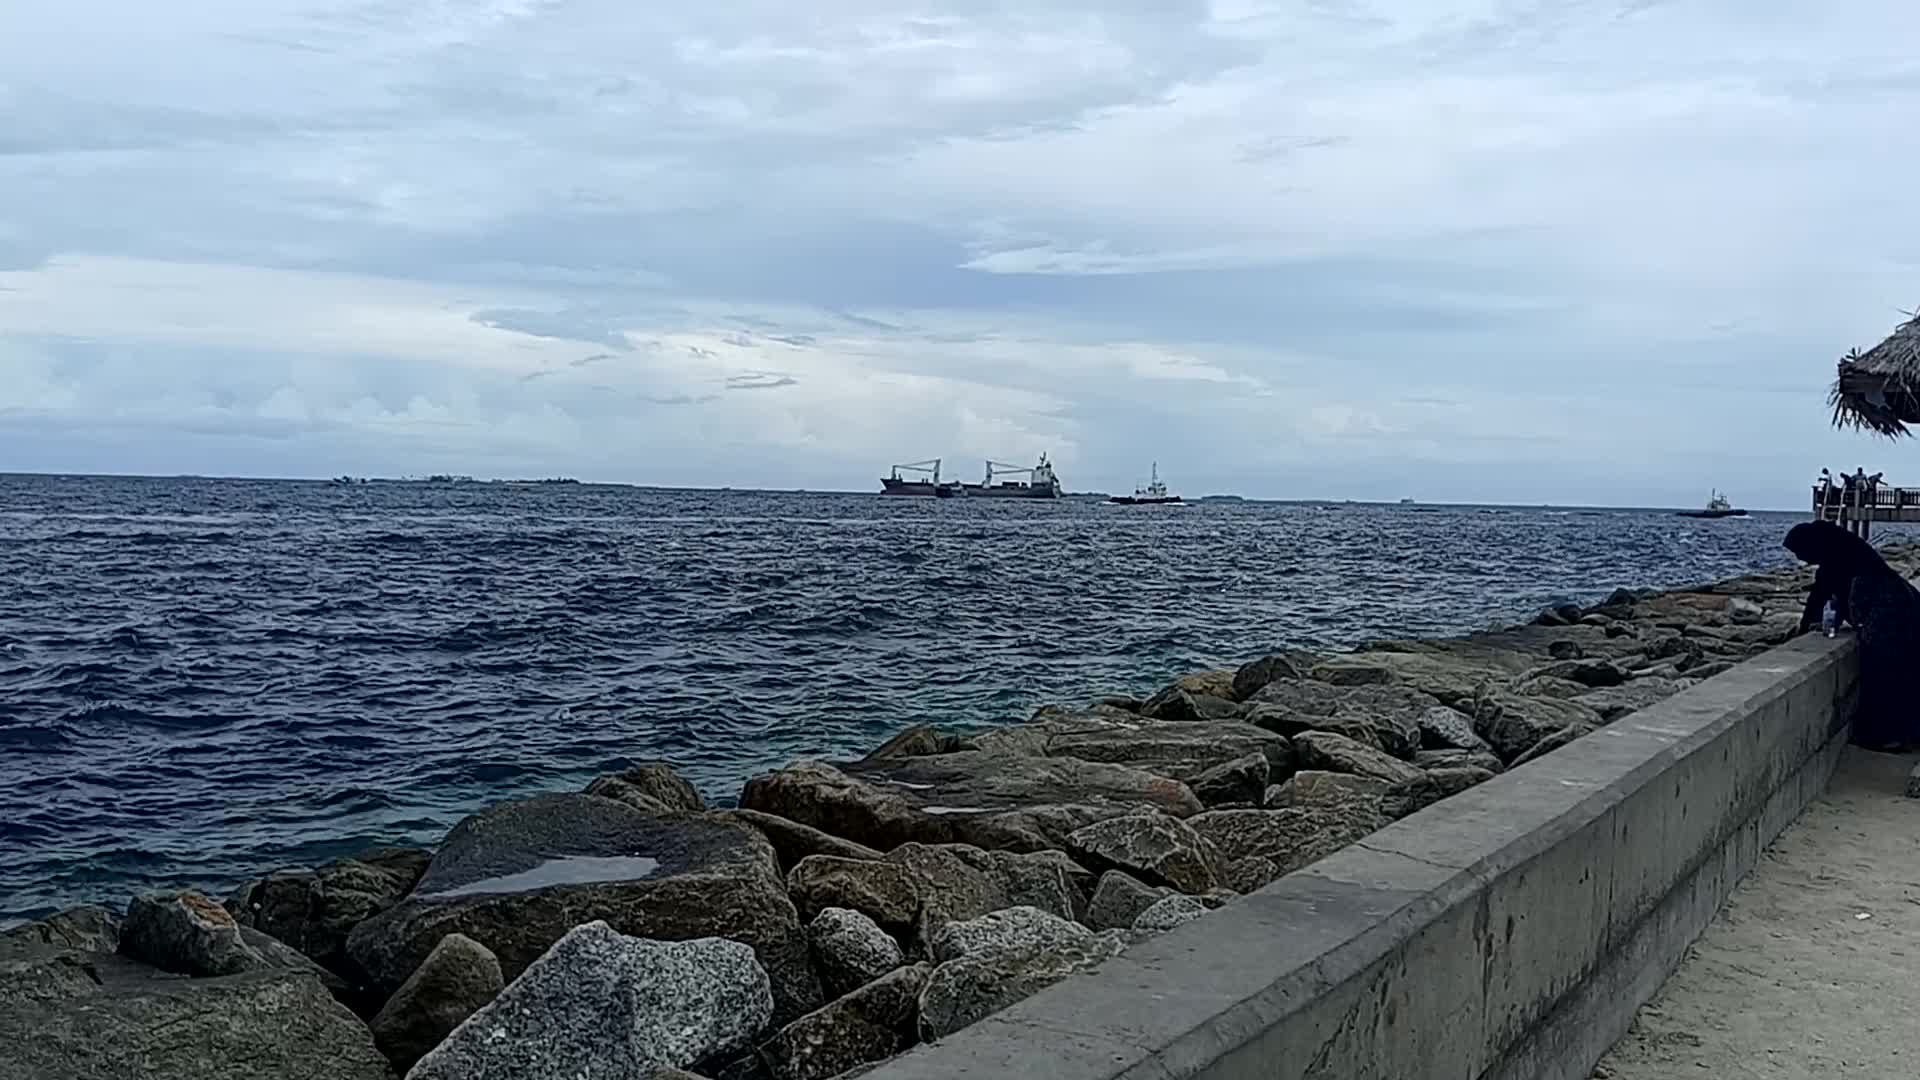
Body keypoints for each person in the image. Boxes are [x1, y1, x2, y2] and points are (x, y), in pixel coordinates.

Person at [1784, 521, 1920, 752]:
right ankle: (1903, 733)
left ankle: (1889, 735)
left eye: (1800, 553)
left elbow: (1821, 595)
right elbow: (1834, 597)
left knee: (1885, 673)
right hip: (1902, 603)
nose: (1802, 560)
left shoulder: (1834, 556)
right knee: (1903, 670)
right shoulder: (1841, 546)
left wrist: (1804, 629)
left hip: (1888, 612)